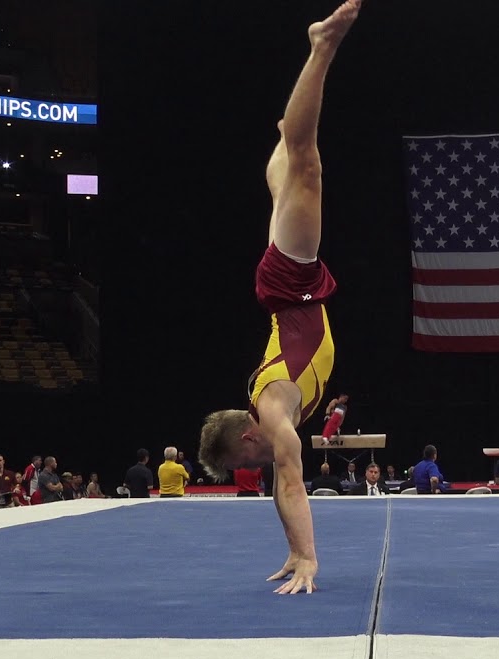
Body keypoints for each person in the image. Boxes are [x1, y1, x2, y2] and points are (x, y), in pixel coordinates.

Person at [196, 0, 363, 595]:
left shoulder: (271, 413)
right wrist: (294, 552)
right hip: (286, 292)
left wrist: (311, 558)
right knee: (282, 179)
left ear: (247, 434)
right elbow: (280, 486)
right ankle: (283, 130)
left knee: (305, 164)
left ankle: (321, 46)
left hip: (290, 288)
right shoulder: (270, 416)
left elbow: (290, 481)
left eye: (254, 460)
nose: (263, 466)